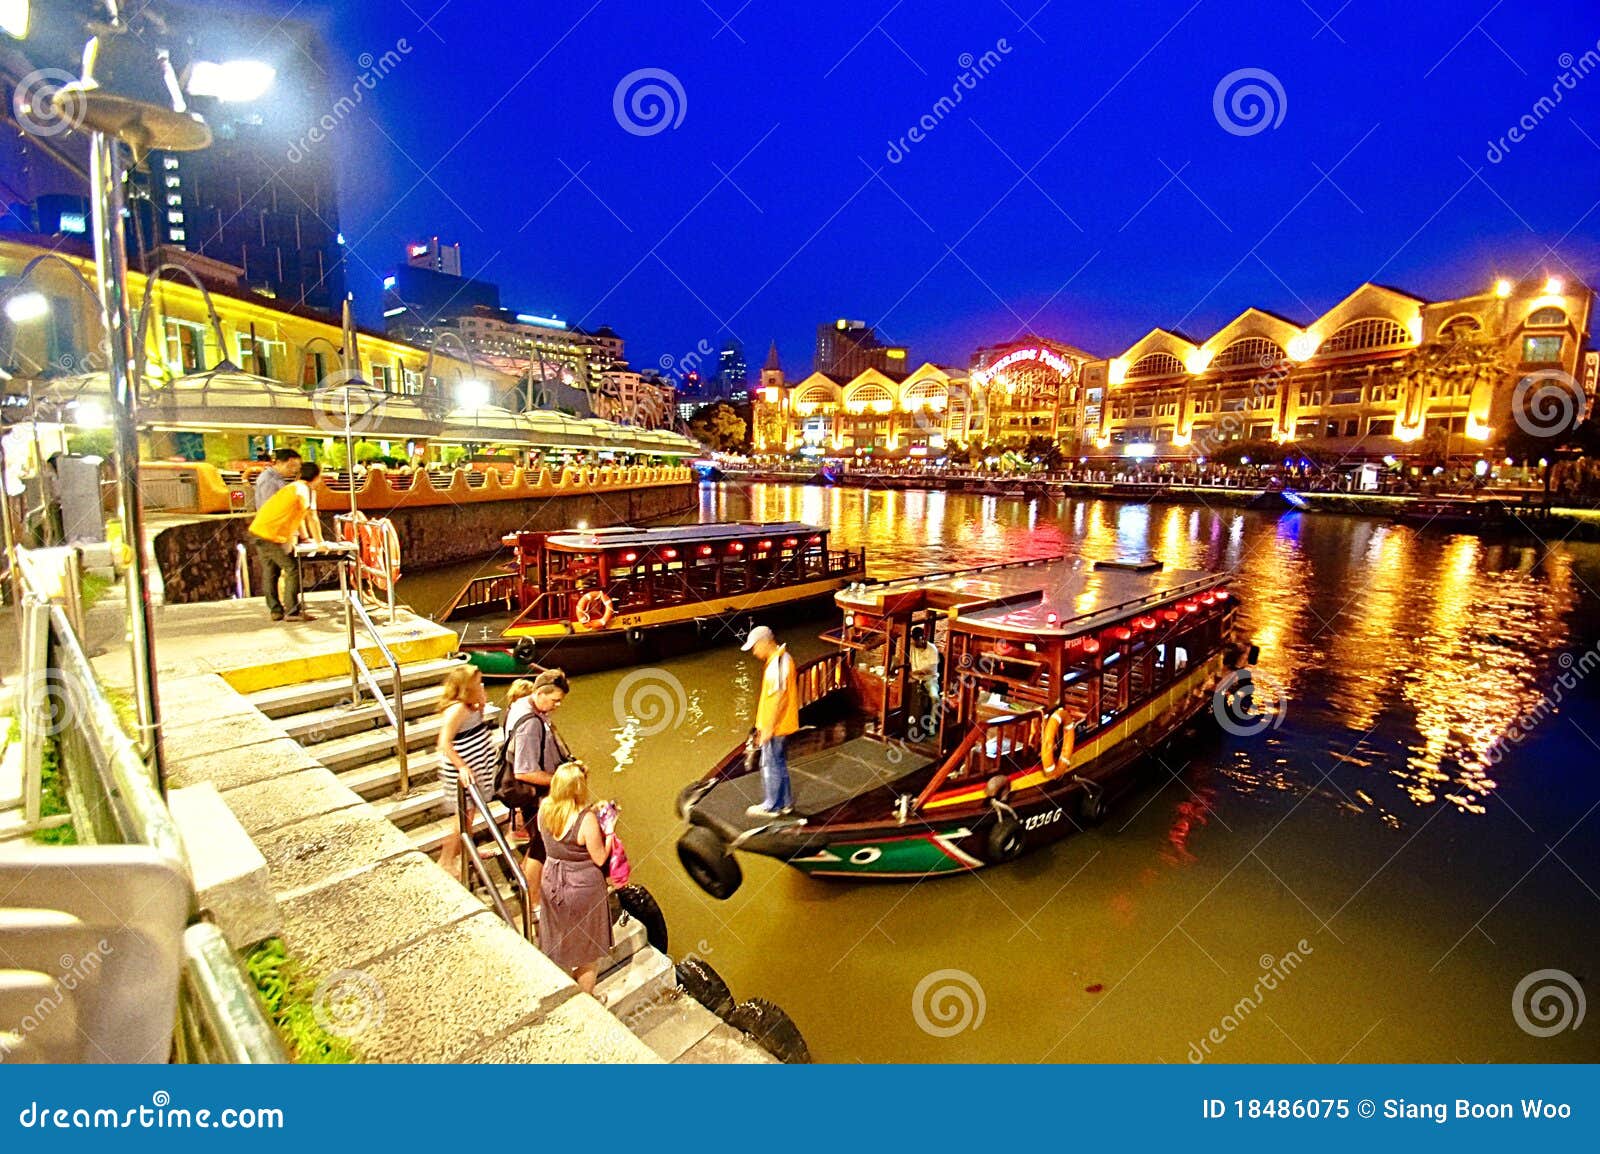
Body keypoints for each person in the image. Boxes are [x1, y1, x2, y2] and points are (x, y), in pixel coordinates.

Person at [536, 761, 614, 997]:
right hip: (582, 887)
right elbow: (600, 858)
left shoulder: (544, 808)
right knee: (588, 953)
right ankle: (587, 1000)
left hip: (551, 880)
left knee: (559, 938)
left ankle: (563, 986)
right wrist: (609, 831)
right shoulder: (586, 819)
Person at [500, 669, 571, 901]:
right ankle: (533, 901)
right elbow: (525, 771)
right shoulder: (530, 725)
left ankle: (524, 875)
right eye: (555, 700)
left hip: (535, 791)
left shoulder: (520, 704)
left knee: (538, 843)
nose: (557, 705)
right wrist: (562, 780)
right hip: (536, 795)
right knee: (541, 847)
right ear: (540, 693)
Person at [435, 665, 498, 882]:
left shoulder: (471, 705)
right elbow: (444, 742)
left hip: (477, 760)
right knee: (463, 816)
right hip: (462, 766)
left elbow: (477, 724)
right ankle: (445, 860)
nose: (481, 685)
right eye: (477, 683)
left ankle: (468, 850)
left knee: (470, 813)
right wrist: (461, 766)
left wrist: (481, 703)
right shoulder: (457, 709)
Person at [246, 460, 323, 622]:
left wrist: (306, 537)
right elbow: (312, 518)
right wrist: (320, 542)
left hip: (259, 530)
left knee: (270, 572)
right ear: (316, 477)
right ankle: (292, 611)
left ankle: (276, 611)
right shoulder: (305, 490)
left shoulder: (291, 488)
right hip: (270, 534)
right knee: (292, 568)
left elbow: (298, 515)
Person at [741, 625, 798, 817]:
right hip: (779, 725)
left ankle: (771, 806)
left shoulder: (777, 664)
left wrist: (768, 728)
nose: (755, 652)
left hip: (776, 726)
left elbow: (777, 698)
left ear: (765, 642)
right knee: (779, 762)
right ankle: (785, 803)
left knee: (770, 764)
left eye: (755, 647)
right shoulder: (783, 659)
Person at [908, 625, 940, 730]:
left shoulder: (932, 649)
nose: (915, 643)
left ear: (923, 638)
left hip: (929, 679)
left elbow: (931, 668)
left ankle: (931, 725)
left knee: (934, 697)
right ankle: (909, 722)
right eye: (914, 641)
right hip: (914, 678)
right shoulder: (912, 647)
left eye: (918, 640)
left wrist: (917, 671)